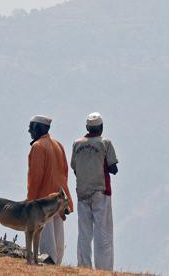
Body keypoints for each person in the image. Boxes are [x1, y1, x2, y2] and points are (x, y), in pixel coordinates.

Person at [72, 112, 119, 270]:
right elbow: (113, 168)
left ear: (87, 127)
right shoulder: (105, 142)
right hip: (101, 191)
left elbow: (75, 168)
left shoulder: (77, 144)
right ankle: (104, 269)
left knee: (84, 233)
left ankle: (84, 266)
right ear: (102, 127)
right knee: (103, 232)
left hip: (82, 192)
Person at [27, 114, 74, 264]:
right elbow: (64, 175)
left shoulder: (38, 146)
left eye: (31, 127)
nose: (29, 130)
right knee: (58, 241)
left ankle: (49, 270)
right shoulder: (58, 145)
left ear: (39, 128)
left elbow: (35, 177)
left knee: (46, 245)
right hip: (58, 202)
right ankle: (57, 268)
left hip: (43, 204)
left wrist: (30, 203)